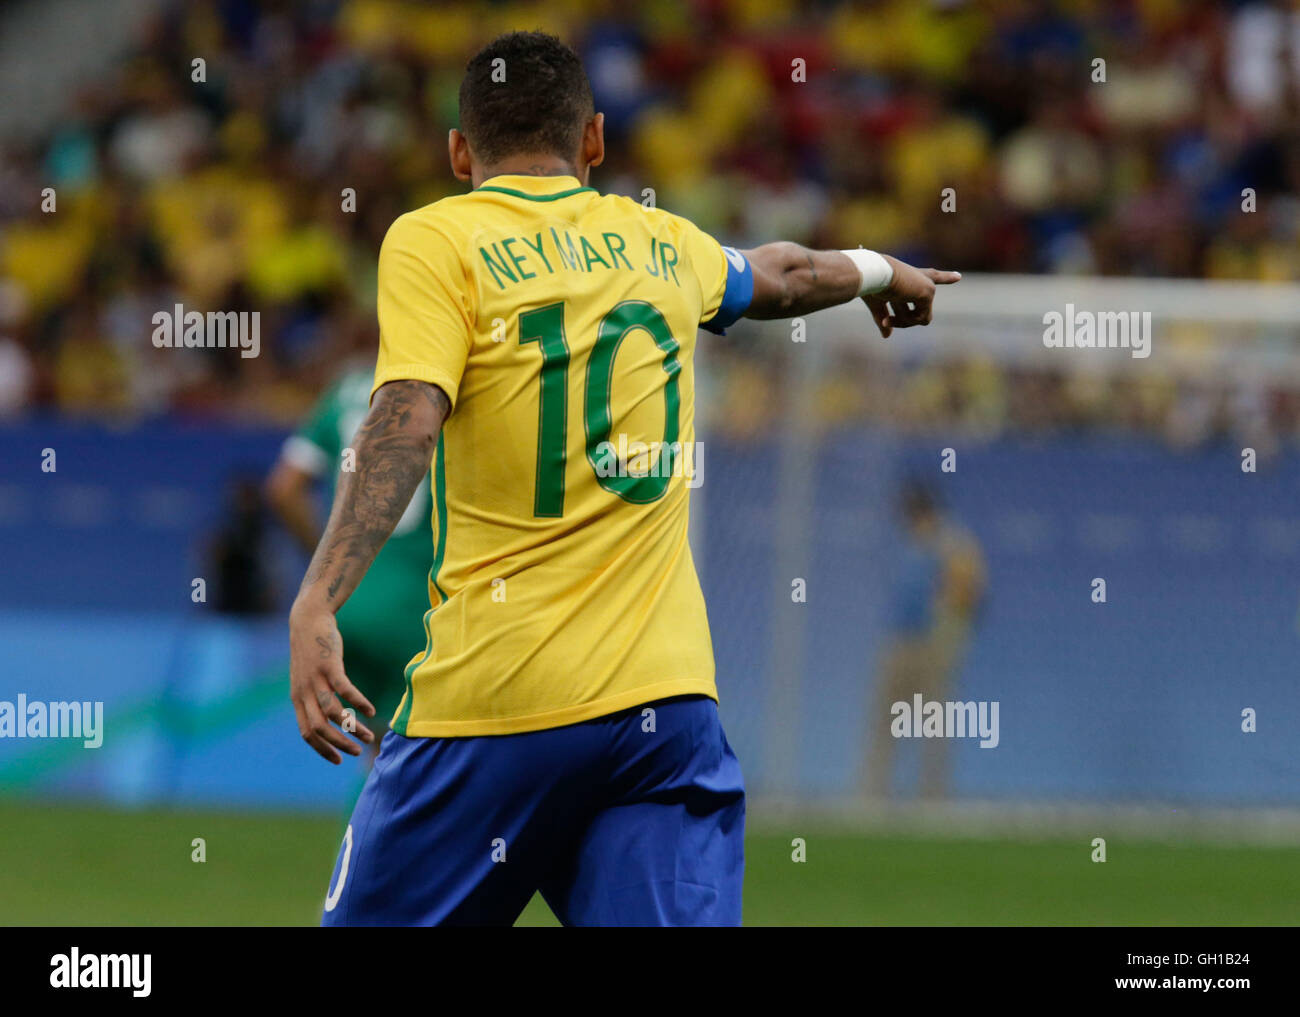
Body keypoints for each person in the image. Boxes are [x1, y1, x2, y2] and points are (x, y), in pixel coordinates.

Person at [288, 30, 960, 926]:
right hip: (662, 714)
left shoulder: (435, 239)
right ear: (595, 141)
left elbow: (405, 420)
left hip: (497, 704)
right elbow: (786, 274)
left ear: (460, 153)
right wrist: (881, 270)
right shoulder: (663, 243)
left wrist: (317, 598)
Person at [266, 362, 432, 756]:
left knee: (373, 753)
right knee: (411, 757)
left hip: (343, 603)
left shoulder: (347, 388)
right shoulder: (442, 389)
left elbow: (284, 487)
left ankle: (360, 820)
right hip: (417, 602)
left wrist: (328, 565)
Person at [865, 481, 986, 800]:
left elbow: (969, 589)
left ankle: (932, 796)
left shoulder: (951, 543)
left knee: (934, 723)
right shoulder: (908, 544)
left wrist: (949, 632)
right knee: (885, 720)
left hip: (931, 644)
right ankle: (873, 796)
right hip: (900, 643)